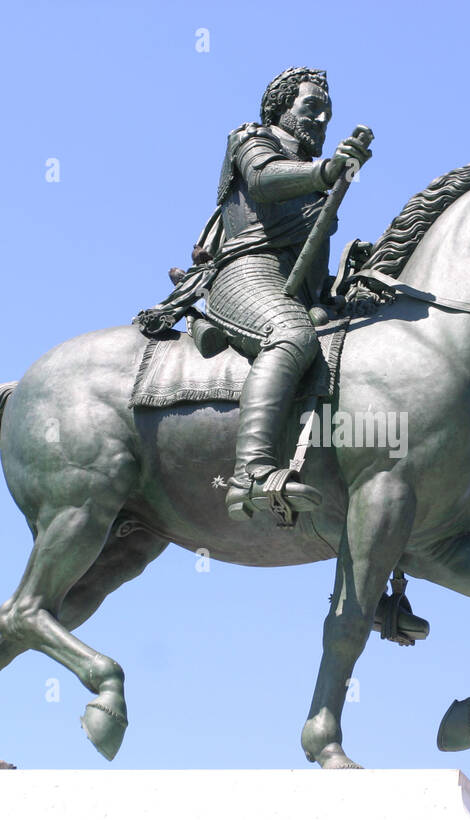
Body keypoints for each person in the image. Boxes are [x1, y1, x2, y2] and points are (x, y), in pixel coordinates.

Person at [137, 67, 371, 521]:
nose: (322, 118)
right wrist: (325, 170)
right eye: (311, 106)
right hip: (244, 275)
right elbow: (264, 179)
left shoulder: (314, 182)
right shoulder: (251, 137)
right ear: (280, 107)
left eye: (328, 112)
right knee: (291, 335)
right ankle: (252, 475)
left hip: (297, 290)